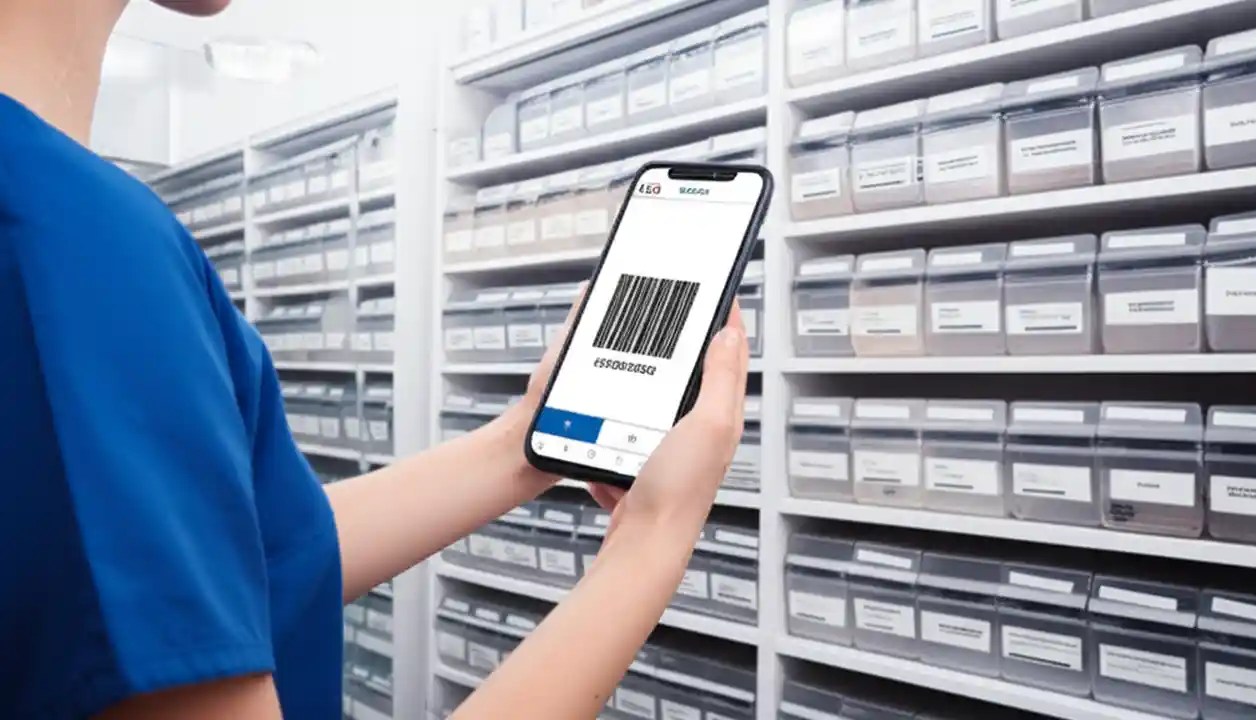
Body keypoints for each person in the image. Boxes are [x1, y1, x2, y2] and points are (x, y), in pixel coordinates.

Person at [0, 1, 750, 718]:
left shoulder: (49, 220)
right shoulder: (76, 247)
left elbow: (249, 556)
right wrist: (649, 544)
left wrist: (526, 441)